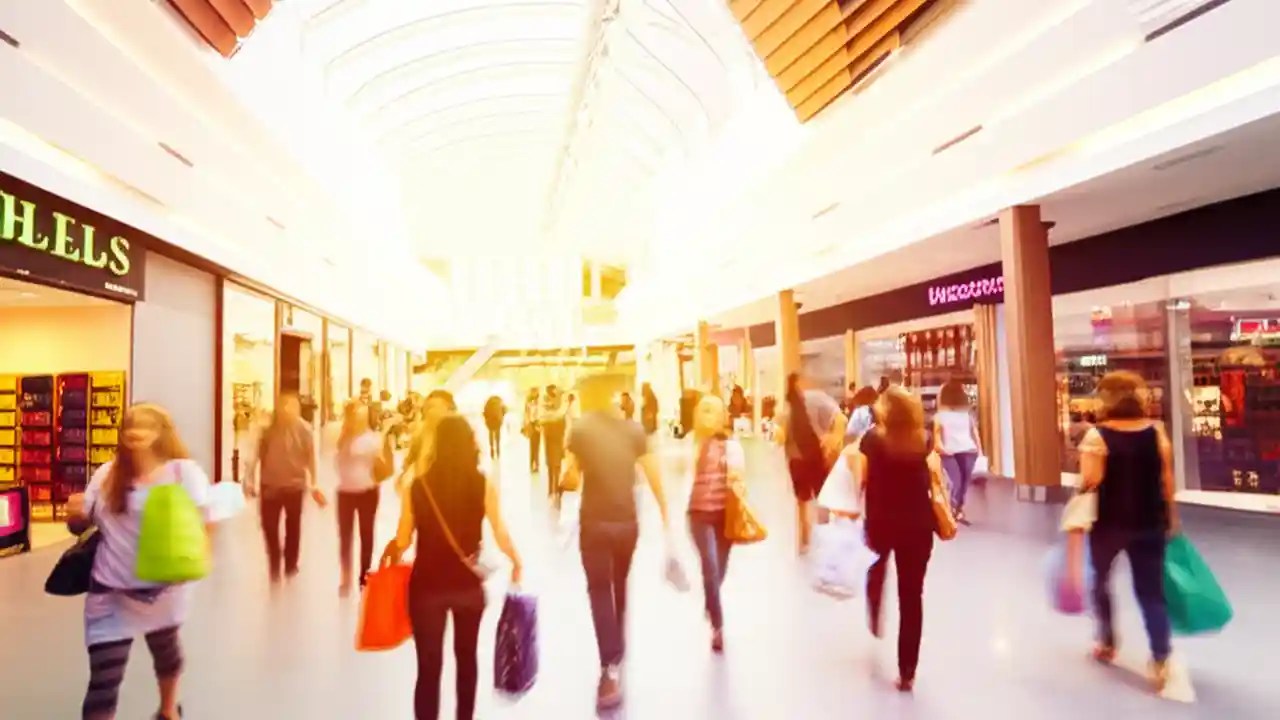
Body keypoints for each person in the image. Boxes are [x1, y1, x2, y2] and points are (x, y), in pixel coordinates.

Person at [66, 403, 212, 720]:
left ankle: (169, 710)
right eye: (131, 424)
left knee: (166, 652)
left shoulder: (182, 473)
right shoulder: (107, 475)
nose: (136, 431)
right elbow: (80, 526)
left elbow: (204, 519)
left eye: (145, 425)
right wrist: (75, 515)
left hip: (163, 589)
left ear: (161, 432)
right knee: (103, 684)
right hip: (111, 592)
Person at [383, 415, 522, 720]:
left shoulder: (417, 486)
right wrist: (516, 559)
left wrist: (392, 551)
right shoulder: (481, 483)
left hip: (427, 587)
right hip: (467, 587)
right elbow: (499, 529)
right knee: (467, 660)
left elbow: (404, 537)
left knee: (429, 669)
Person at [560, 390, 670, 710]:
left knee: (598, 589)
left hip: (594, 523)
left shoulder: (579, 430)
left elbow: (570, 478)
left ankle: (609, 668)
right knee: (619, 584)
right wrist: (666, 514)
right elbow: (652, 473)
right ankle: (616, 651)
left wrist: (568, 472)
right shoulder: (634, 430)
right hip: (627, 525)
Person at [1079, 371, 1177, 691]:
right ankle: (1161, 656)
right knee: (1152, 592)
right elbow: (1167, 482)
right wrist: (1171, 518)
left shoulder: (1096, 437)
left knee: (1100, 581)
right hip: (1150, 523)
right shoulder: (1157, 433)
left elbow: (1089, 483)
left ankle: (1107, 641)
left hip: (1108, 524)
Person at [860, 387, 938, 693]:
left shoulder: (873, 440)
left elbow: (863, 476)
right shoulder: (925, 439)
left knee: (875, 566)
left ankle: (874, 606)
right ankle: (907, 671)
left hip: (882, 522)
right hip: (918, 527)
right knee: (912, 597)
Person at [684, 394, 745, 652]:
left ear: (722, 416)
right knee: (709, 566)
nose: (707, 414)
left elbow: (740, 475)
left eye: (713, 410)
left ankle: (711, 601)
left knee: (719, 570)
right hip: (698, 514)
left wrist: (735, 475)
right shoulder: (691, 443)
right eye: (704, 410)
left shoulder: (731, 444)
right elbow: (681, 473)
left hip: (725, 515)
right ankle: (718, 627)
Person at [249, 393, 325, 581]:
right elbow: (256, 456)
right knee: (269, 527)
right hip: (270, 486)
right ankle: (275, 561)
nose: (286, 410)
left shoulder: (305, 429)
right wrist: (249, 479)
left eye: (290, 406)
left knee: (293, 527)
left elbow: (311, 458)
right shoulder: (268, 429)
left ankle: (290, 564)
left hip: (294, 486)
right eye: (283, 406)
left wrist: (314, 484)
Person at [775, 372, 846, 553]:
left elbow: (780, 436)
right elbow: (841, 418)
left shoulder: (788, 406)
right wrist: (834, 438)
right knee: (823, 497)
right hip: (817, 455)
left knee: (802, 500)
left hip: (796, 459)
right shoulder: (817, 398)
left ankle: (804, 540)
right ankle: (824, 535)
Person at [335, 400, 385, 595]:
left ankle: (364, 573)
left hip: (368, 491)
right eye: (355, 416)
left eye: (362, 416)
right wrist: (348, 434)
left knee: (366, 533)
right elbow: (340, 460)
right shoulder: (342, 438)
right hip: (345, 492)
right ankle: (345, 575)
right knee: (345, 536)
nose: (359, 420)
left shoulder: (374, 439)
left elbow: (380, 463)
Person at [932, 380, 982, 524]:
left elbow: (937, 436)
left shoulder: (940, 416)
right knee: (960, 482)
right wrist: (979, 451)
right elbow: (974, 434)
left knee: (958, 482)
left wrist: (941, 448)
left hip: (954, 451)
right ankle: (954, 508)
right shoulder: (966, 416)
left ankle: (957, 509)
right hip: (964, 451)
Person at [401, 389, 458, 491]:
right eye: (429, 408)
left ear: (450, 410)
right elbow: (408, 464)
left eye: (435, 408)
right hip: (426, 493)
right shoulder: (419, 435)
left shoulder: (461, 434)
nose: (431, 412)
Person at [541, 385, 568, 503]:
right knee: (554, 466)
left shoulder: (549, 411)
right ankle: (554, 490)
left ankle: (552, 490)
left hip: (554, 440)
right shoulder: (554, 411)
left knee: (553, 467)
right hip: (554, 439)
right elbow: (559, 416)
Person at [523, 388, 541, 473]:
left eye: (536, 391)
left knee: (536, 446)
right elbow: (526, 414)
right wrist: (527, 424)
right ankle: (532, 464)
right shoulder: (528, 403)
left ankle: (536, 465)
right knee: (532, 446)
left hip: (537, 425)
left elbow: (541, 414)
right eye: (534, 391)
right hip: (531, 425)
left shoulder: (540, 402)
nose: (535, 393)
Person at [483, 395, 506, 460]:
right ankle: (498, 450)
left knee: (491, 435)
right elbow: (504, 410)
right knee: (497, 436)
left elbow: (484, 412)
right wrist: (501, 417)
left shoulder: (488, 403)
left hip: (490, 421)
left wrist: (486, 419)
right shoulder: (499, 402)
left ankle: (492, 449)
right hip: (498, 421)